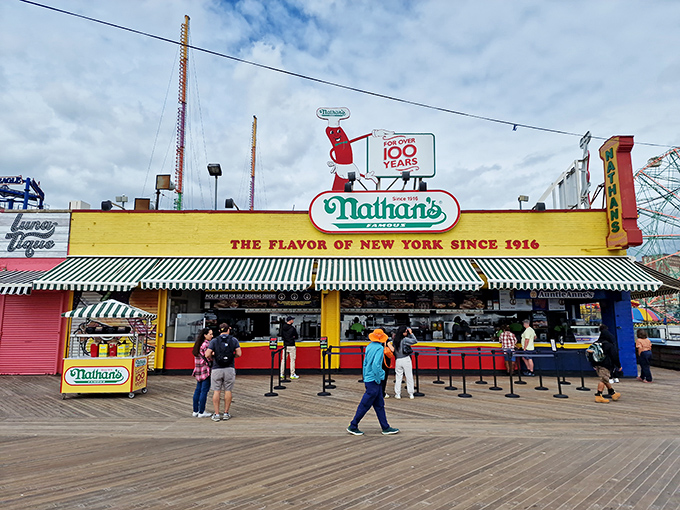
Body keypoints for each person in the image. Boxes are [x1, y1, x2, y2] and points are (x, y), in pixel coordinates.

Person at [347, 329, 399, 436]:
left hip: (368, 378)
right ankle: (353, 425)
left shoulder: (369, 346)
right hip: (374, 380)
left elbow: (365, 363)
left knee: (379, 404)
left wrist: (366, 376)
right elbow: (376, 365)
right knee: (365, 404)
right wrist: (379, 376)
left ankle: (385, 427)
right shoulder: (379, 348)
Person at [205, 323, 242, 421]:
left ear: (219, 330)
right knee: (228, 390)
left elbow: (207, 354)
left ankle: (217, 414)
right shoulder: (233, 340)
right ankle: (226, 413)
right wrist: (232, 357)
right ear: (228, 330)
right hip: (229, 368)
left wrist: (214, 356)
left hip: (217, 368)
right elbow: (239, 353)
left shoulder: (214, 341)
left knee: (216, 391)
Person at [588, 324, 622, 403]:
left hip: (597, 364)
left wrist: (593, 364)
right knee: (603, 380)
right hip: (605, 365)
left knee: (605, 378)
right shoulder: (609, 345)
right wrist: (618, 365)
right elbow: (614, 356)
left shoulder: (596, 343)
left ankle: (612, 393)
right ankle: (598, 395)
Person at [191, 328, 214, 418]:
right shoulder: (207, 344)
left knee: (197, 390)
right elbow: (209, 357)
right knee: (204, 391)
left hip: (198, 370)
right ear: (205, 335)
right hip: (205, 370)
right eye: (210, 334)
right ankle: (202, 411)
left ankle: (195, 410)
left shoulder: (198, 344)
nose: (212, 336)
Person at [393, 325, 417, 399]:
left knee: (398, 377)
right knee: (409, 376)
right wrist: (411, 333)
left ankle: (398, 393)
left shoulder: (395, 340)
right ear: (403, 332)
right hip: (406, 359)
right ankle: (411, 393)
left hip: (398, 360)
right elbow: (415, 341)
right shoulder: (405, 340)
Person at [381, 332, 395, 398]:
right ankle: (382, 392)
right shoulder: (386, 341)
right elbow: (392, 349)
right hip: (385, 361)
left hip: (377, 360)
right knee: (384, 377)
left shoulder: (374, 342)